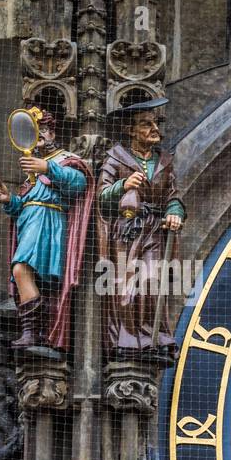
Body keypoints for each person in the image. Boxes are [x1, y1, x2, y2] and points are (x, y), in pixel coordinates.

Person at [0, 108, 94, 358]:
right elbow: (25, 206)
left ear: (52, 132)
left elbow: (79, 184)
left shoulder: (65, 159)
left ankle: (32, 332)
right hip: (30, 224)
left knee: (21, 270)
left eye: (43, 130)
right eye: (35, 133)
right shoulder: (31, 171)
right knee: (27, 276)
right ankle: (36, 332)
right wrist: (9, 200)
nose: (40, 136)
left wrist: (47, 167)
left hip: (49, 225)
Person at [97, 96, 186, 361]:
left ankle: (152, 337)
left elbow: (174, 196)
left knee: (151, 281)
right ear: (130, 130)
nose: (154, 129)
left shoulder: (164, 162)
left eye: (155, 123)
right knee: (127, 286)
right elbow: (100, 196)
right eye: (146, 124)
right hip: (127, 230)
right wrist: (122, 186)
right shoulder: (116, 158)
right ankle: (127, 338)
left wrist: (174, 213)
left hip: (155, 229)